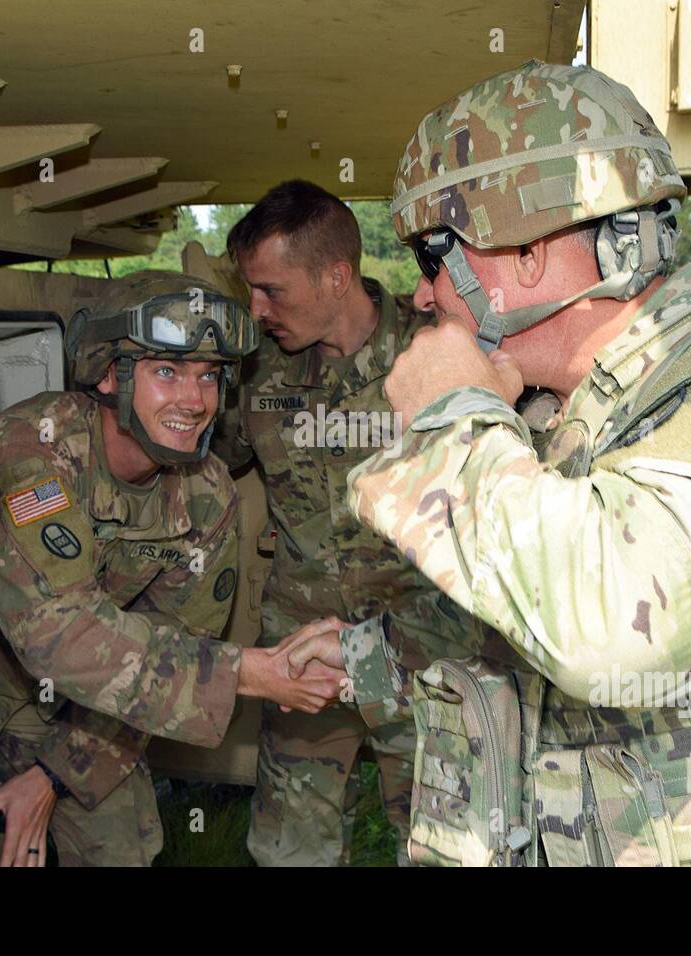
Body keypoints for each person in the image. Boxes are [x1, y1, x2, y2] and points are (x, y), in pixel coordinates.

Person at [284, 60, 691, 866]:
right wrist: (366, 658)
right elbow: (523, 617)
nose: (424, 297)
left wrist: (450, 417)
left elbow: (619, 627)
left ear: (524, 251)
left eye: (434, 258)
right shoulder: (574, 405)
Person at [0, 271, 346, 867]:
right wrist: (249, 674)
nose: (194, 400)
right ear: (109, 374)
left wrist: (53, 778)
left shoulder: (206, 493)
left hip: (79, 692)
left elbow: (173, 644)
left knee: (122, 847)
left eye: (210, 375)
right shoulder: (29, 452)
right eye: (166, 371)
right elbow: (59, 632)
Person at [214, 180, 488, 866]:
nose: (257, 308)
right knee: (286, 853)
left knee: (440, 850)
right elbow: (203, 464)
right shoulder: (257, 377)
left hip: (422, 660)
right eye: (250, 289)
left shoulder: (441, 362)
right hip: (303, 666)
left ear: (337, 277)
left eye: (272, 289)